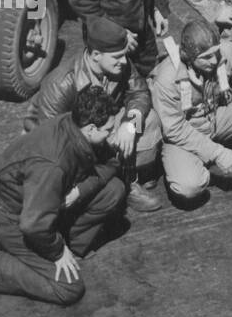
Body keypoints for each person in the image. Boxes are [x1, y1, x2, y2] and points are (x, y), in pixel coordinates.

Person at [0, 87, 124, 306]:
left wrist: (80, 191)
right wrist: (57, 251)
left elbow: (112, 163)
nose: (112, 135)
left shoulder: (75, 125)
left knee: (113, 190)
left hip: (39, 201)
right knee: (68, 288)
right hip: (8, 216)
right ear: (91, 128)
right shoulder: (52, 165)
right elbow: (32, 224)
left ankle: (61, 248)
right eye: (109, 130)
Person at [22, 15, 165, 213]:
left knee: (146, 120)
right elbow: (53, 138)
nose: (124, 61)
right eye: (117, 57)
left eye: (124, 55)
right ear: (96, 55)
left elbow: (139, 92)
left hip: (96, 127)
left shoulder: (117, 62)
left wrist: (129, 125)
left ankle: (128, 179)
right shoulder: (61, 84)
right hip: (62, 136)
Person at [148, 19, 232, 207]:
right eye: (205, 57)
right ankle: (208, 164)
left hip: (216, 116)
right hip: (184, 132)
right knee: (189, 187)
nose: (213, 61)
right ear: (187, 56)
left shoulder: (227, 51)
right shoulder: (167, 78)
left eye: (215, 53)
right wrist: (217, 153)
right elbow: (173, 130)